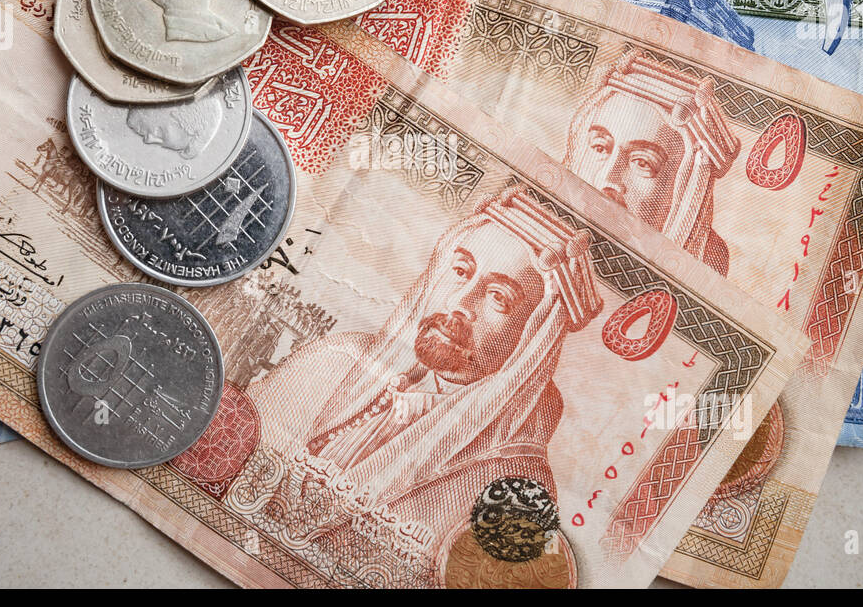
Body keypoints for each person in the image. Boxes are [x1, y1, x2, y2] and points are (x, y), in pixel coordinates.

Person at [245, 186, 603, 549]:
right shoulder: (334, 358)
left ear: (533, 335)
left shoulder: (516, 491)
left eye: (498, 296)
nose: (459, 302)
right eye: (461, 270)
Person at [563, 48, 740, 276]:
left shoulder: (708, 258)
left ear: (686, 187)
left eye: (642, 162)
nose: (608, 179)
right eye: (599, 147)